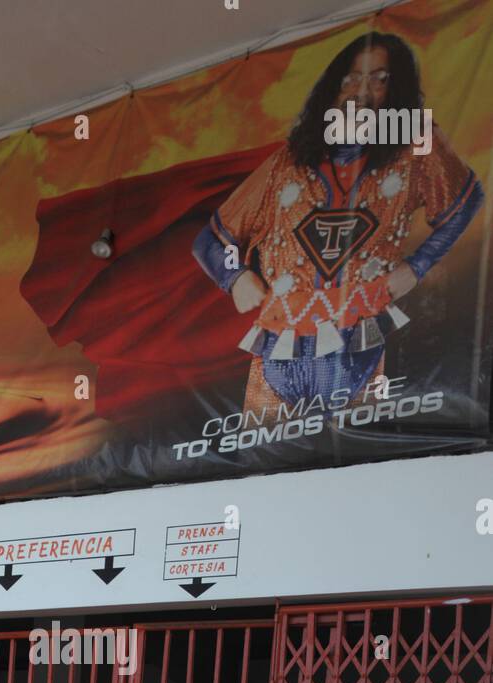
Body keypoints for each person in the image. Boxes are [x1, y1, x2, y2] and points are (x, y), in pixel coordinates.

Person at [192, 31, 484, 424]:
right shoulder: (287, 165)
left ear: (395, 91)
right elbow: (209, 240)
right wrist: (236, 277)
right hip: (280, 350)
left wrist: (416, 266)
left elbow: (466, 202)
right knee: (260, 467)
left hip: (363, 344)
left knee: (364, 468)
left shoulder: (415, 148)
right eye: (350, 78)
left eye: (379, 79)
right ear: (332, 88)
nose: (361, 91)